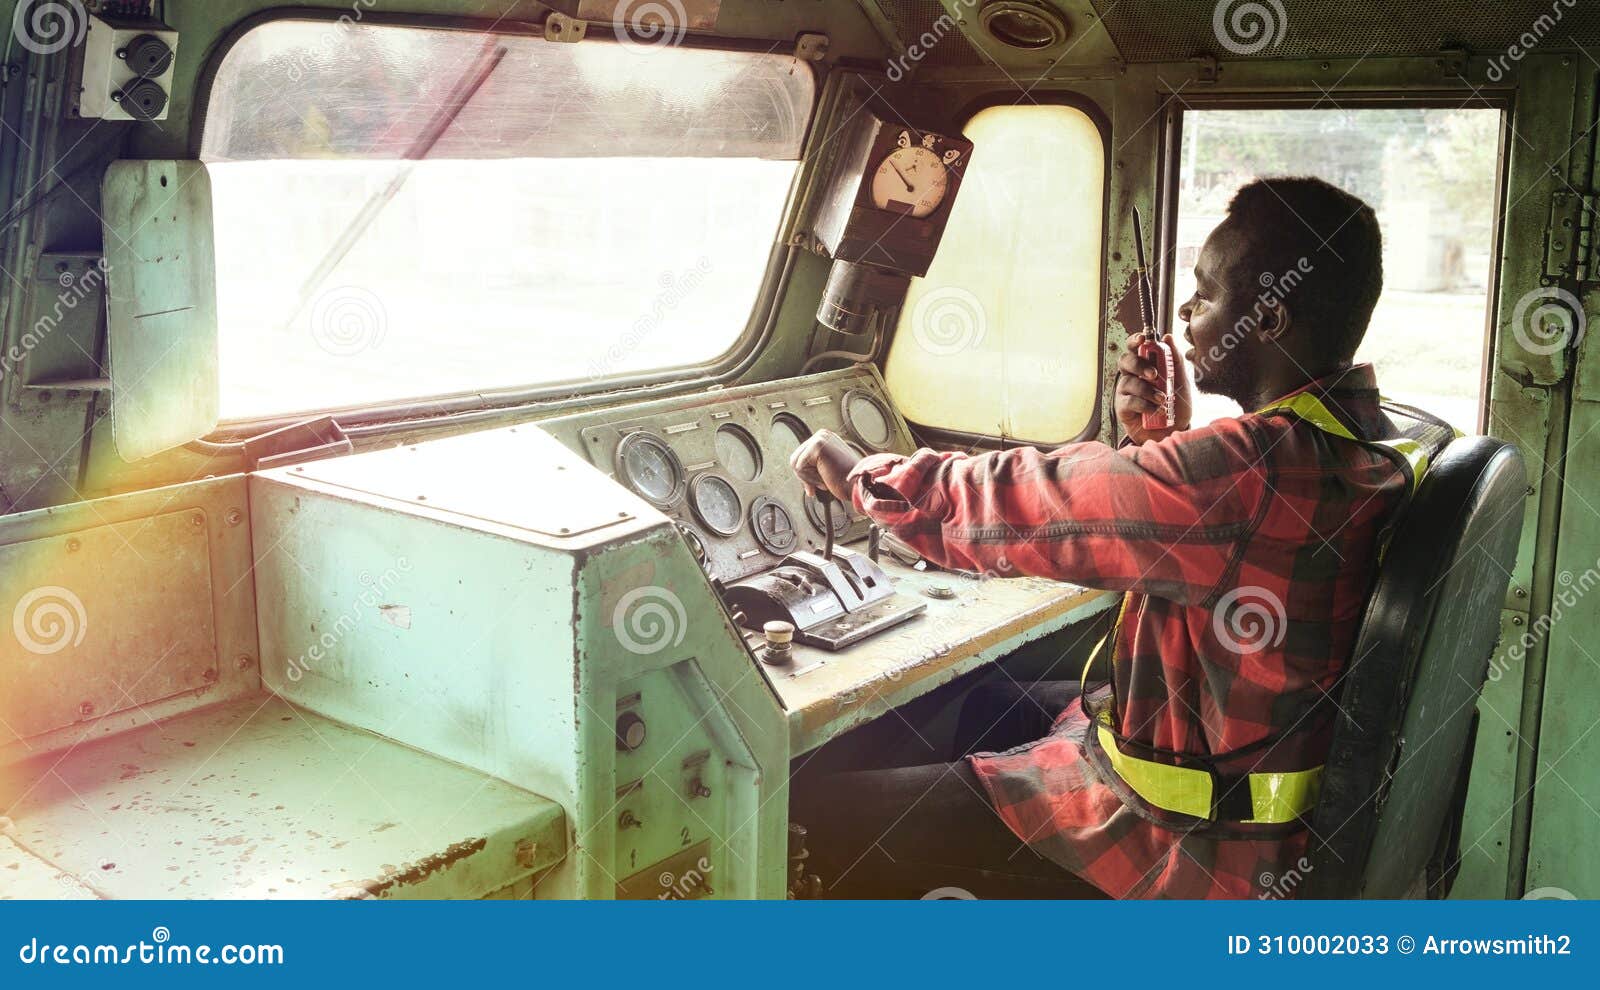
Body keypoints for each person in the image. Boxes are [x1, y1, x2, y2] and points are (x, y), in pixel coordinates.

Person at [787, 176, 1455, 899]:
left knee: (814, 813)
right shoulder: (1372, 437)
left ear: (1268, 319)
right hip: (1252, 793)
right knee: (985, 705)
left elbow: (1033, 501)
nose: (1186, 312)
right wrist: (1164, 443)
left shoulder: (1244, 473)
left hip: (1184, 846)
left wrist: (865, 475)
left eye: (1205, 295)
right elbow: (1230, 528)